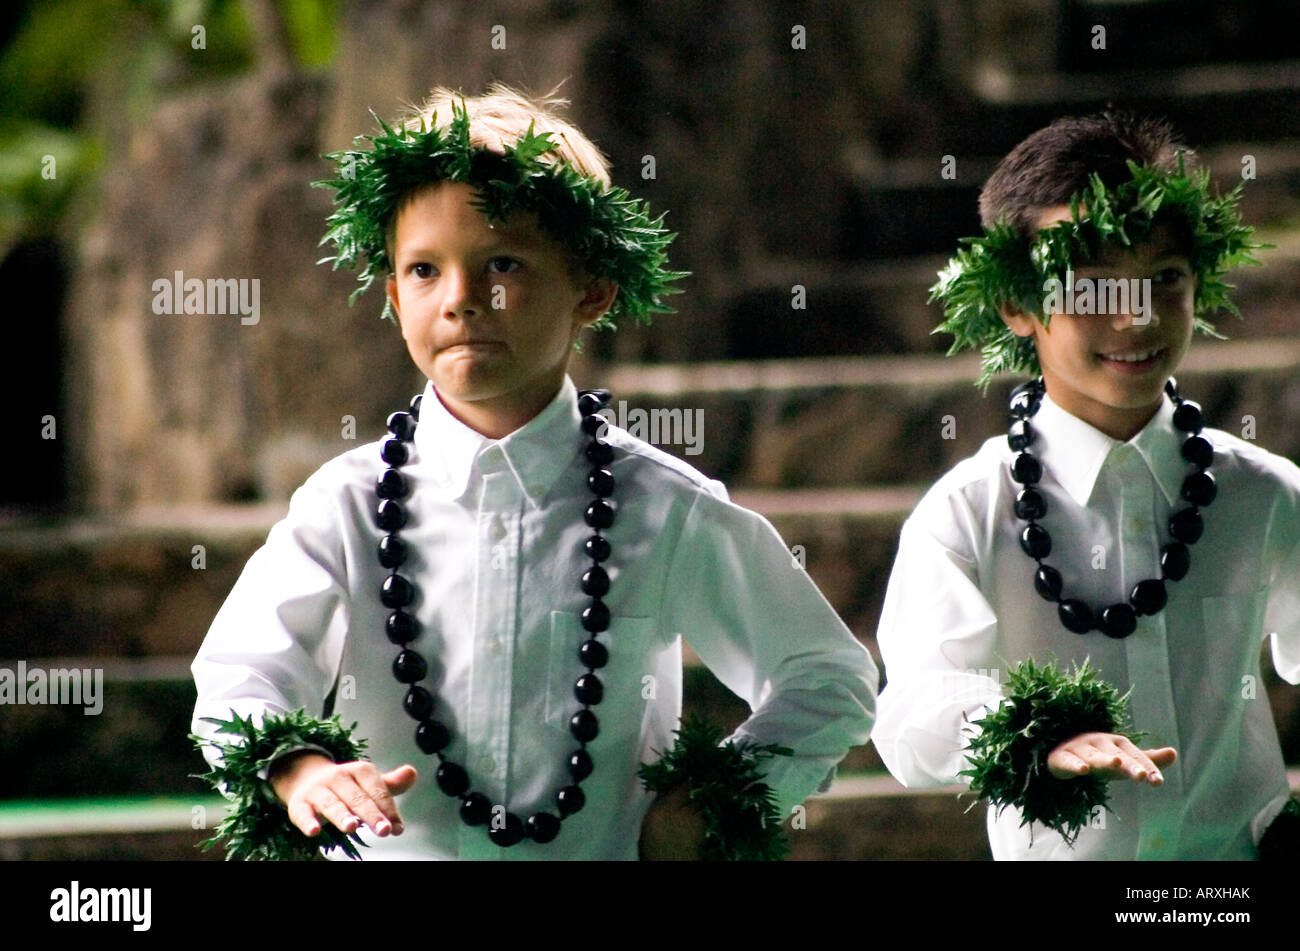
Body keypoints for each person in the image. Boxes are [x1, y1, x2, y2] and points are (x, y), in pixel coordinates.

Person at [190, 84, 877, 861]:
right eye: (423, 269)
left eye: (503, 262)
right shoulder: (344, 506)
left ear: (591, 288)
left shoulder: (665, 508)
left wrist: (708, 804)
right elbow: (239, 675)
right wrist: (300, 770)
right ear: (391, 293)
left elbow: (828, 678)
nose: (460, 300)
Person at [871, 111, 1300, 859]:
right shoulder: (968, 514)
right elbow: (910, 710)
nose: (1135, 318)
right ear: (1016, 303)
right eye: (1092, 286)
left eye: (1165, 280)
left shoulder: (1265, 493)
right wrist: (1035, 732)